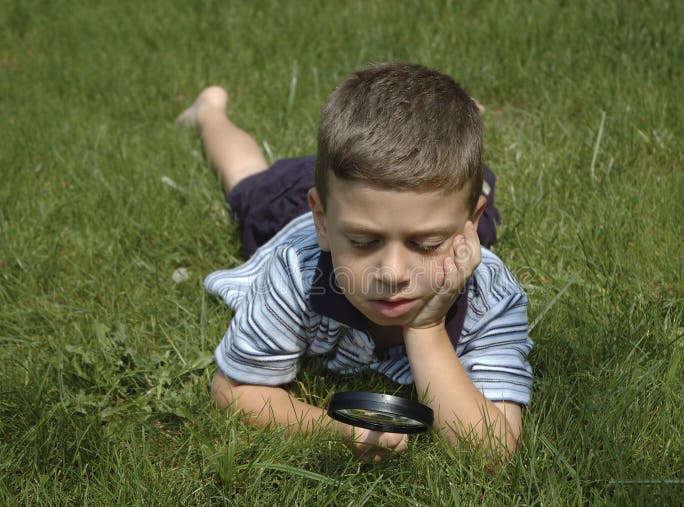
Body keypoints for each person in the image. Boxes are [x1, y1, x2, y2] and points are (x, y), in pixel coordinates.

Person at [178, 63, 533, 462]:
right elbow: (233, 388)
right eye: (364, 242)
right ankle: (210, 111)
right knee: (244, 176)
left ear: (466, 225)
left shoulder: (491, 293)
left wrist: (426, 327)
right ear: (323, 223)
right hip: (291, 202)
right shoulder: (298, 269)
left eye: (427, 243)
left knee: (467, 192)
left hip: (382, 200)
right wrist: (332, 429)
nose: (393, 273)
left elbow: (491, 451)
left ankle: (449, 124)